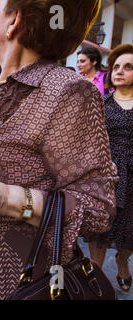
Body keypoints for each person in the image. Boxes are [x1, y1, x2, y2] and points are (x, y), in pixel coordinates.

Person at [0, 0, 117, 300]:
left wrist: (6, 197)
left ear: (14, 21)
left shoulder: (65, 91)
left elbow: (98, 209)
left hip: (15, 285)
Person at [85, 43, 133, 292]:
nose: (120, 71)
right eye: (116, 66)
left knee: (130, 231)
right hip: (106, 177)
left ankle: (122, 260)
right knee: (99, 230)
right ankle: (96, 275)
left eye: (128, 67)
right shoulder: (100, 103)